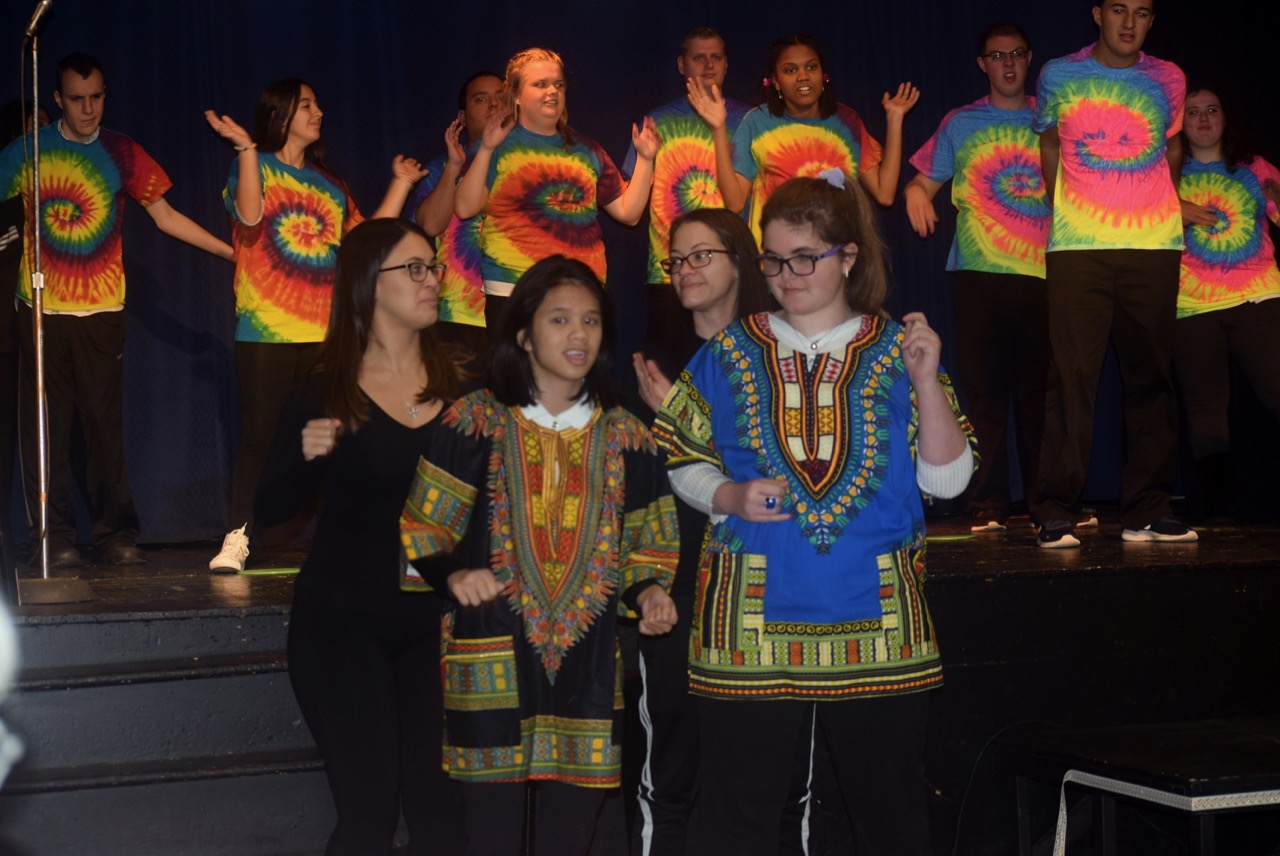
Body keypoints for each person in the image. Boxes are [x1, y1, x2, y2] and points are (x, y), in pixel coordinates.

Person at [653, 173, 975, 856]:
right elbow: (681, 455)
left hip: (879, 626)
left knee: (891, 819)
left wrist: (925, 381)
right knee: (736, 820)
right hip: (748, 629)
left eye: (806, 258)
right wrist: (729, 496)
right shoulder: (728, 350)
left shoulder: (897, 349)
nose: (787, 276)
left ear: (848, 257)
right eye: (773, 260)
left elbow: (947, 481)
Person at [399, 255, 679, 856]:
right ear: (524, 335)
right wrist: (454, 574)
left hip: (588, 670)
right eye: (560, 319)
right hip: (490, 656)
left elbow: (646, 543)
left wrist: (651, 592)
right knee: (491, 837)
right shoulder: (474, 421)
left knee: (571, 836)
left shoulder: (628, 435)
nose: (579, 334)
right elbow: (423, 528)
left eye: (591, 320)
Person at [254, 218, 466, 856]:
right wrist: (305, 457)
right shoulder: (324, 391)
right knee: (369, 816)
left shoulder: (465, 387)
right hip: (343, 627)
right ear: (369, 284)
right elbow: (271, 511)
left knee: (442, 818)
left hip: (437, 627)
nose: (432, 281)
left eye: (434, 267)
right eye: (415, 269)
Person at [0, 53, 234, 568]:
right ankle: (53, 536)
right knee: (47, 431)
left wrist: (231, 254)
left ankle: (115, 533)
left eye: (96, 97)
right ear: (58, 99)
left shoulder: (123, 151)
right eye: (77, 99)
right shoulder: (28, 152)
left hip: (102, 311)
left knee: (103, 430)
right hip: (40, 312)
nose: (88, 109)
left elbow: (166, 217)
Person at [204, 78, 426, 571]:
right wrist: (245, 149)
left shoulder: (330, 185)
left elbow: (366, 241)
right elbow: (250, 216)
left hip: (325, 332)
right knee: (261, 434)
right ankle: (238, 536)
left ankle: (344, 537)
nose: (318, 111)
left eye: (318, 104)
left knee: (332, 435)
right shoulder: (255, 165)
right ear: (280, 114)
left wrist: (401, 183)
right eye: (306, 105)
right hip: (267, 327)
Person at [629, 208, 784, 856]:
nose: (685, 270)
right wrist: (645, 585)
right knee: (670, 774)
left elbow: (775, 476)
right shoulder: (653, 365)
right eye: (676, 260)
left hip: (763, 588)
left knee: (759, 784)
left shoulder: (776, 355)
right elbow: (638, 489)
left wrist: (681, 415)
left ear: (739, 262)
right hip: (678, 590)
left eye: (701, 256)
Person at [1032, 0, 1196, 547]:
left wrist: (1162, 203)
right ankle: (1055, 507)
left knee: (1152, 375)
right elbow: (1049, 141)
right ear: (1098, 14)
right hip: (1079, 247)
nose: (1130, 23)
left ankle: (1148, 507)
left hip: (1154, 245)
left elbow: (1172, 147)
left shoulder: (1169, 77)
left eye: (1142, 13)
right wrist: (1063, 208)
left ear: (1152, 20)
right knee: (1072, 375)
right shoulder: (1059, 73)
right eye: (1119, 10)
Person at [904, 22, 1053, 533]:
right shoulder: (961, 122)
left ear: (1029, 59)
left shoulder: (1052, 118)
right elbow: (921, 183)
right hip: (979, 275)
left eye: (1016, 54)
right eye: (997, 55)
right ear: (982, 64)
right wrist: (917, 197)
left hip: (1044, 273)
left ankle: (1045, 502)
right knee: (985, 395)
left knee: (1039, 397)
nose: (1008, 63)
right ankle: (989, 501)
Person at [454, 47, 659, 328]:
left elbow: (628, 213)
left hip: (582, 290)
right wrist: (487, 148)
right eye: (541, 84)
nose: (552, 91)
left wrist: (645, 159)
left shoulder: (587, 149)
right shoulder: (497, 145)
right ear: (516, 95)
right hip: (515, 289)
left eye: (558, 85)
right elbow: (465, 208)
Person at [687, 32, 918, 239]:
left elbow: (885, 193)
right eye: (790, 70)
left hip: (837, 257)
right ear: (776, 82)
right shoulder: (758, 122)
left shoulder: (847, 121)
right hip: (778, 261)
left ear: (822, 74)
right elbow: (735, 203)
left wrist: (895, 119)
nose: (803, 76)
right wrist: (718, 129)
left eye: (811, 67)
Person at [1174, 86, 1280, 520]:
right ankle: (1219, 509)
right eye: (1193, 112)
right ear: (1179, 124)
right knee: (1205, 406)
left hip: (1257, 294)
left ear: (1224, 117)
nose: (1203, 119)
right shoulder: (1166, 175)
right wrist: (1172, 207)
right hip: (1191, 303)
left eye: (1211, 110)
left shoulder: (1255, 169)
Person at [622, 27, 751, 355]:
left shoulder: (750, 120)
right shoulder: (657, 121)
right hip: (671, 274)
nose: (709, 64)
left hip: (735, 271)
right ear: (682, 65)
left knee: (736, 368)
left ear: (726, 64)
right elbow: (633, 199)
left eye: (716, 57)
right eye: (699, 57)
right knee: (671, 371)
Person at [409, 70, 504, 356]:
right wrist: (454, 167)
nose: (493, 104)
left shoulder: (525, 162)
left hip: (516, 309)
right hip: (458, 315)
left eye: (501, 97)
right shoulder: (441, 167)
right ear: (462, 117)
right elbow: (429, 225)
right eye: (480, 99)